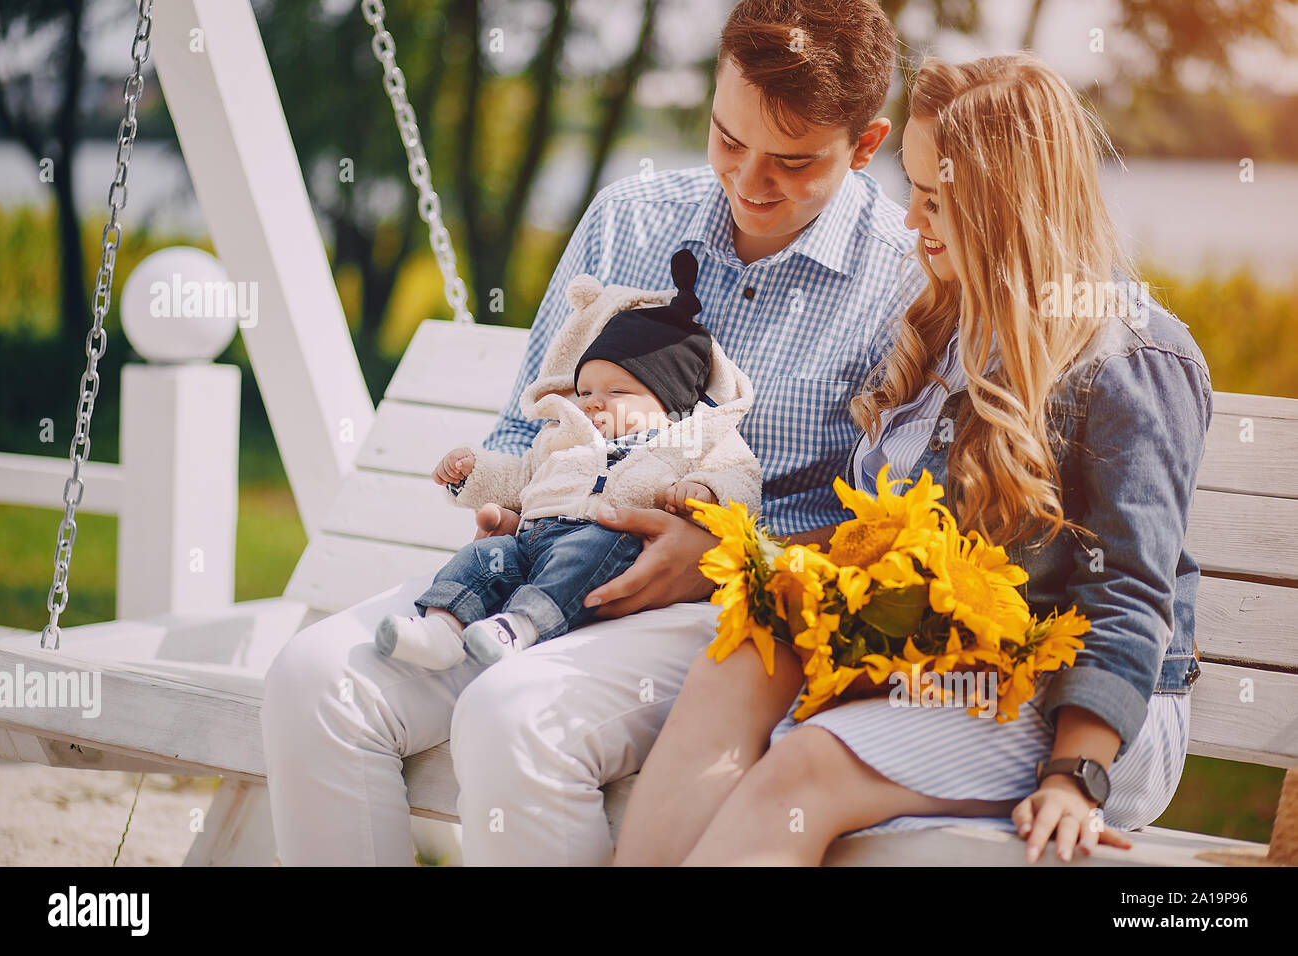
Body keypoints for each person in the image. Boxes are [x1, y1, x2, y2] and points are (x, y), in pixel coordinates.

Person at [259, 0, 925, 865]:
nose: (750, 182)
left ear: (868, 145)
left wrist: (727, 553)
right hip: (544, 561)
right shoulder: (629, 219)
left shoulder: (906, 281)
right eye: (729, 139)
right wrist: (510, 496)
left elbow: (895, 522)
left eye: (793, 162)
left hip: (729, 624)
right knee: (315, 683)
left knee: (514, 720)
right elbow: (528, 413)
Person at [612, 52, 1212, 867]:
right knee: (741, 653)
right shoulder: (945, 323)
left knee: (806, 765)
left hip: (1085, 715)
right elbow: (894, 545)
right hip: (938, 665)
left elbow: (1129, 595)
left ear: (1007, 210)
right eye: (913, 190)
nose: (910, 219)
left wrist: (1075, 774)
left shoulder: (1128, 359)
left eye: (935, 199)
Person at [374, 249, 761, 669]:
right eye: (586, 391)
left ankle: (520, 626)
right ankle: (442, 628)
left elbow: (741, 477)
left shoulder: (689, 437)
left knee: (585, 553)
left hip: (605, 543)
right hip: (528, 540)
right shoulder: (563, 437)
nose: (594, 404)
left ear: (669, 403)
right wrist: (474, 472)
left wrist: (705, 489)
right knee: (481, 558)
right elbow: (522, 475)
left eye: (617, 393)